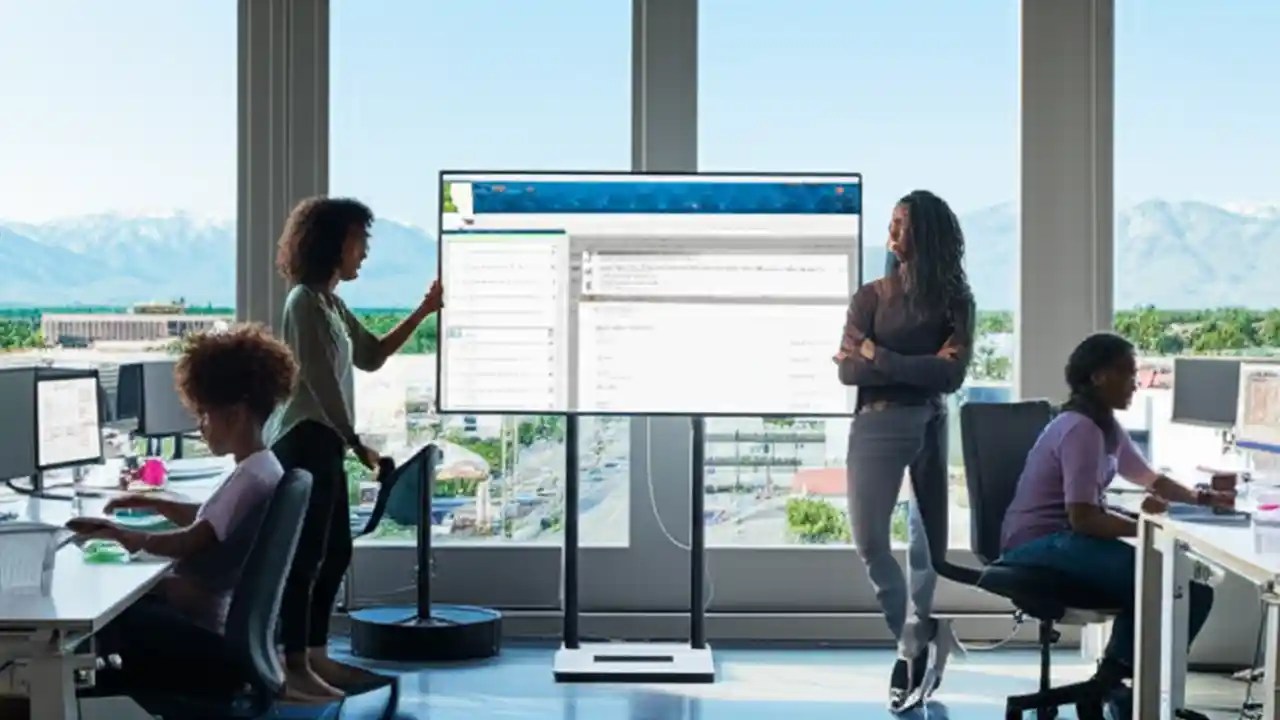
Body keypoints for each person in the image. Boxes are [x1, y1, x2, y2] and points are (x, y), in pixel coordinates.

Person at [998, 332, 1233, 713]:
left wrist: (1201, 500)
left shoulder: (1104, 426)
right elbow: (1084, 518)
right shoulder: (1081, 429)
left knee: (1179, 588)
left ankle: (1111, 683)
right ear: (1097, 377)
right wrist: (1150, 526)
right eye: (1127, 373)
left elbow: (1149, 478)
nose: (1135, 383)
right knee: (1169, 586)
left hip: (1063, 540)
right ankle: (1120, 687)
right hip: (1037, 545)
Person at [268, 196, 443, 701]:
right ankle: (291, 664)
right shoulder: (303, 301)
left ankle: (315, 656)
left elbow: (371, 357)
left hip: (325, 438)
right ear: (337, 242)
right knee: (306, 558)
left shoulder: (330, 303)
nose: (364, 252)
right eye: (359, 241)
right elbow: (321, 384)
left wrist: (424, 310)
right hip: (305, 438)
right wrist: (357, 443)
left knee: (334, 551)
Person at [65, 323, 296, 694]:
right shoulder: (263, 467)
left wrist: (124, 537)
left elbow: (192, 541)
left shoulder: (247, 478)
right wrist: (153, 501)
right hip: (223, 626)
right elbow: (212, 518)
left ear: (234, 414)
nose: (201, 427)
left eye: (204, 414)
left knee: (107, 615)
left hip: (204, 634)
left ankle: (86, 698)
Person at [835, 190, 975, 712]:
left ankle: (912, 647)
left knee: (927, 546)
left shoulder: (956, 301)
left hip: (933, 421)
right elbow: (849, 370)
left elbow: (951, 373)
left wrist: (878, 353)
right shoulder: (869, 296)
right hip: (878, 422)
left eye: (903, 224)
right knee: (870, 540)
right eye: (890, 223)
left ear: (928, 234)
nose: (892, 234)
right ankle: (912, 638)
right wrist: (906, 362)